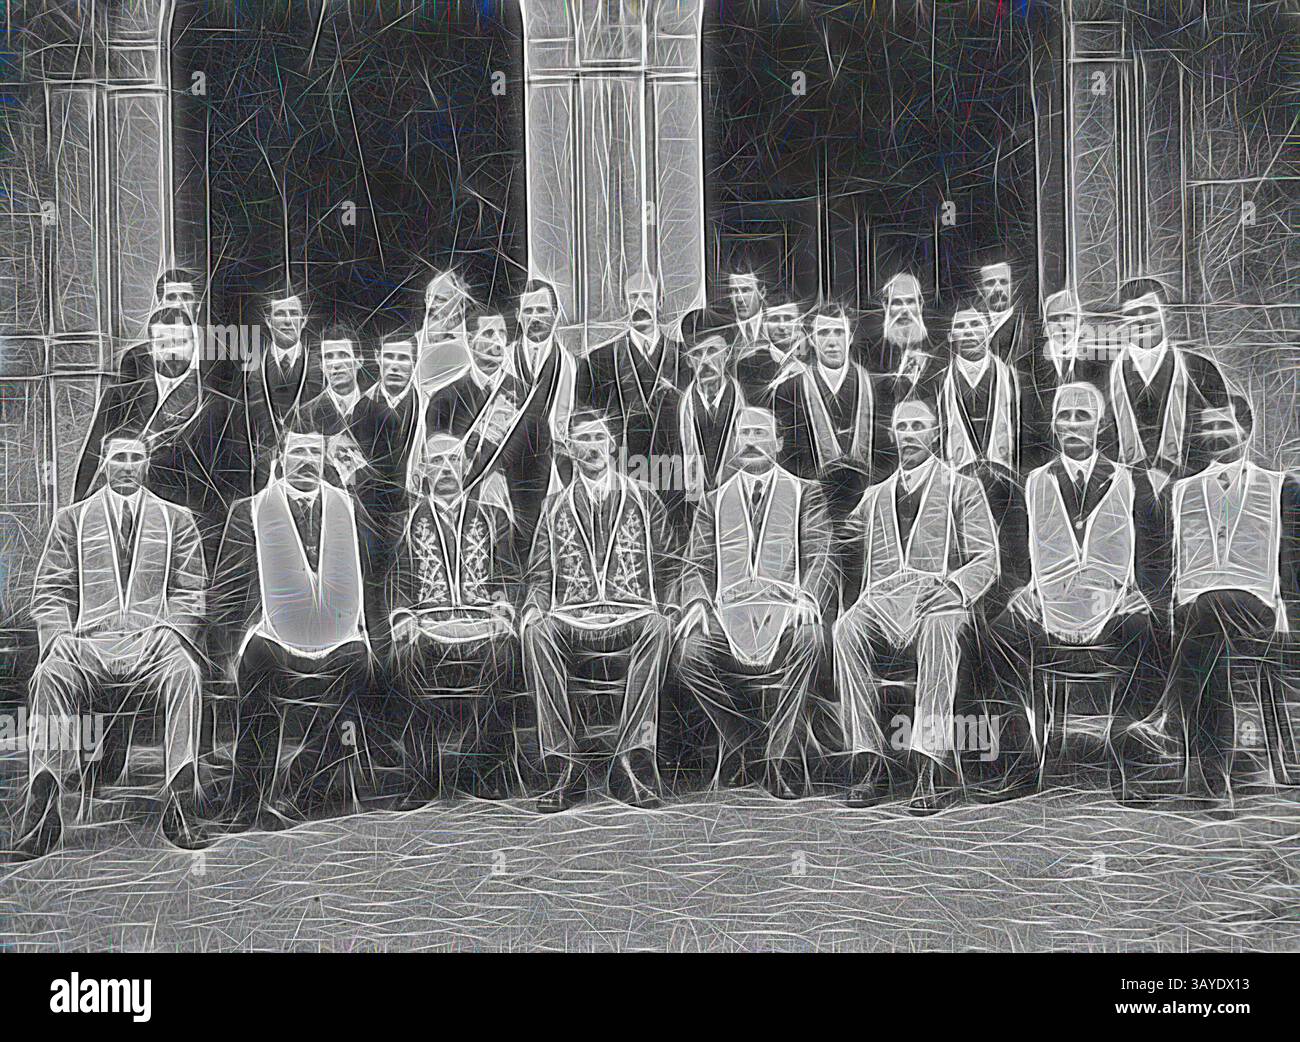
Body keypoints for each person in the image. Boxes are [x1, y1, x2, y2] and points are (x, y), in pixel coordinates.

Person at [14, 436, 209, 858]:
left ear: (147, 464)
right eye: (118, 458)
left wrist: (173, 632)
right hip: (89, 641)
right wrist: (59, 637)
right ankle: (44, 803)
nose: (127, 466)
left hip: (152, 640)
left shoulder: (175, 519)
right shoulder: (74, 519)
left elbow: (191, 588)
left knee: (185, 673)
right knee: (48, 675)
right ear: (103, 463)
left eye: (136, 458)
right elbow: (51, 588)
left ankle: (181, 799)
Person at [986, 383, 1162, 794]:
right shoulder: (1033, 482)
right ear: (1052, 425)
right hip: (1049, 604)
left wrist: (1143, 593)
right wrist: (1020, 590)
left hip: (1113, 604)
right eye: (1064, 416)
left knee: (1151, 633)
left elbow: (1155, 551)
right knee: (994, 637)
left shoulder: (1130, 479)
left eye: (1083, 416)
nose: (1072, 424)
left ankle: (1127, 759)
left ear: (1101, 425)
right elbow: (1014, 551)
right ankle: (1021, 761)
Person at [835, 399, 998, 813]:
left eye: (917, 426)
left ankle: (930, 763)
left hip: (941, 602)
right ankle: (868, 757)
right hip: (883, 605)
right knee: (845, 629)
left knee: (939, 629)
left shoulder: (962, 486)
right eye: (901, 426)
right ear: (891, 434)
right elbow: (838, 542)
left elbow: (987, 558)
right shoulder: (875, 496)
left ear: (935, 433)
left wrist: (955, 588)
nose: (909, 434)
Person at [211, 431, 373, 829]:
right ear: (280, 458)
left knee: (366, 670)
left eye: (314, 452)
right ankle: (249, 800)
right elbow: (226, 593)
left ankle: (302, 785)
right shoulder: (249, 510)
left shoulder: (347, 507)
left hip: (339, 638)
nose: (306, 460)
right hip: (272, 635)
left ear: (324, 460)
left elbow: (373, 567)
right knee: (256, 663)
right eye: (297, 451)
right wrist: (231, 649)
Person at [1143, 399, 1300, 806]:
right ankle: (1216, 787)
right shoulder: (1181, 491)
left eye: (1224, 426)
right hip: (1196, 613)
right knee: (1208, 628)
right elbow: (1165, 565)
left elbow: (1293, 563)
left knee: (1210, 616)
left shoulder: (1281, 485)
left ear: (1246, 431)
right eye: (1208, 428)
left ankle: (1175, 726)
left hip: (1259, 609)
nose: (1215, 435)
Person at [521, 412, 677, 812]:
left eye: (598, 437)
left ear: (612, 444)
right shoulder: (554, 505)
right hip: (573, 615)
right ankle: (562, 763)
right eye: (581, 440)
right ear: (569, 450)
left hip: (632, 613)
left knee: (659, 627)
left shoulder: (644, 497)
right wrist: (533, 608)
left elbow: (671, 562)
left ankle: (632, 758)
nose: (591, 446)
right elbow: (540, 572)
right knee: (536, 633)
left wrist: (674, 605)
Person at [676, 407, 834, 798]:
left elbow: (822, 553)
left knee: (811, 641)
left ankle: (780, 757)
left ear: (778, 443)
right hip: (730, 619)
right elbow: (695, 562)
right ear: (734, 444)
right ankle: (743, 743)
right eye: (744, 433)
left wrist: (809, 597)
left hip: (786, 616)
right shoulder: (714, 500)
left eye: (760, 433)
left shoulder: (805, 492)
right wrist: (696, 602)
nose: (750, 441)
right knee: (688, 654)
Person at [388, 434, 521, 802]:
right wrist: (403, 617)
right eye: (436, 462)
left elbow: (509, 576)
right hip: (429, 626)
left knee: (506, 653)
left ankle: (482, 766)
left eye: (453, 461)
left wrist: (503, 609)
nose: (446, 469)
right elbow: (398, 580)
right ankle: (421, 774)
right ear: (425, 471)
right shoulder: (406, 521)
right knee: (402, 657)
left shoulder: (493, 517)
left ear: (465, 467)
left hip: (480, 624)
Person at [75, 307, 250, 566]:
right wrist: (80, 515)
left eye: (180, 342)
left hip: (183, 531)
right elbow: (92, 459)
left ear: (195, 345)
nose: (172, 351)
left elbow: (233, 483)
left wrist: (213, 542)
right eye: (162, 343)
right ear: (150, 348)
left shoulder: (220, 406)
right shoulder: (120, 396)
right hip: (117, 522)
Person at [467, 279, 576, 557]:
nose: (535, 318)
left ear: (556, 313)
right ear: (518, 315)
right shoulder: (500, 362)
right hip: (506, 472)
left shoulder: (575, 366)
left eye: (542, 310)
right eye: (528, 311)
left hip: (555, 473)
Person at [937, 305, 1027, 608]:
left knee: (1009, 560)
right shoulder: (940, 381)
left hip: (1004, 488)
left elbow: (1024, 434)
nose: (970, 332)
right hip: (960, 488)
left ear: (988, 329)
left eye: (976, 324)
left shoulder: (1011, 377)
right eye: (961, 326)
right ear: (951, 336)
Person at [1108, 277, 1229, 493]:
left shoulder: (1200, 368)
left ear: (1167, 313)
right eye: (1130, 315)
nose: (1141, 320)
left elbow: (1221, 437)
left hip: (1191, 490)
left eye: (1148, 310)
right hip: (1122, 495)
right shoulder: (1104, 375)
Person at [351, 336, 425, 652]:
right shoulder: (362, 408)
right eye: (390, 357)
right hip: (370, 515)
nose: (396, 366)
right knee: (373, 584)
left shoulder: (425, 407)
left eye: (403, 358)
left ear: (414, 362)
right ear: (378, 359)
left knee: (409, 582)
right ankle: (379, 657)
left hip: (411, 509)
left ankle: (407, 654)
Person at [773, 305, 876, 530]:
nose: (831, 342)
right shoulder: (789, 390)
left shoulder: (878, 386)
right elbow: (788, 459)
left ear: (850, 337)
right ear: (810, 339)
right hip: (812, 511)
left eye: (839, 332)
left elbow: (887, 453)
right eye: (823, 333)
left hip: (868, 508)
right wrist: (814, 503)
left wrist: (870, 502)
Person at [1023, 289, 1109, 471]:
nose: (1062, 324)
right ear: (1045, 326)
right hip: (1041, 458)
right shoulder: (1029, 364)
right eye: (1055, 318)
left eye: (1068, 317)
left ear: (1080, 322)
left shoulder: (1099, 363)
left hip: (1086, 458)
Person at [244, 293, 324, 489]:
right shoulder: (250, 369)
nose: (288, 320)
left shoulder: (321, 368)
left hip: (307, 471)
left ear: (304, 320)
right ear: (269, 321)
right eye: (280, 313)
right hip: (261, 474)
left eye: (294, 313)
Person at [678, 324, 745, 507]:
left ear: (727, 354)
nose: (705, 362)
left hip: (739, 501)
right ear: (688, 361)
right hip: (691, 505)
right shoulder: (674, 406)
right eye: (697, 354)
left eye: (712, 351)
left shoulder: (747, 397)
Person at [733, 292, 804, 408]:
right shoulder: (749, 365)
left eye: (788, 319)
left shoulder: (812, 365)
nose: (782, 326)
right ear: (764, 323)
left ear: (800, 323)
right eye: (775, 319)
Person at [415, 270, 473, 397]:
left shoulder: (473, 346)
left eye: (440, 299)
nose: (431, 305)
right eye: (429, 298)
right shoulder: (414, 343)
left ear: (459, 304)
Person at [974, 257, 1030, 370]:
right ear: (979, 289)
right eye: (990, 283)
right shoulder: (969, 324)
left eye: (1003, 282)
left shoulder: (1027, 327)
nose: (998, 289)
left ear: (1013, 285)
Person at [724, 271, 766, 358]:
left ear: (762, 293)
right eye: (734, 291)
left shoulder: (778, 324)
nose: (739, 299)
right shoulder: (722, 329)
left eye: (745, 290)